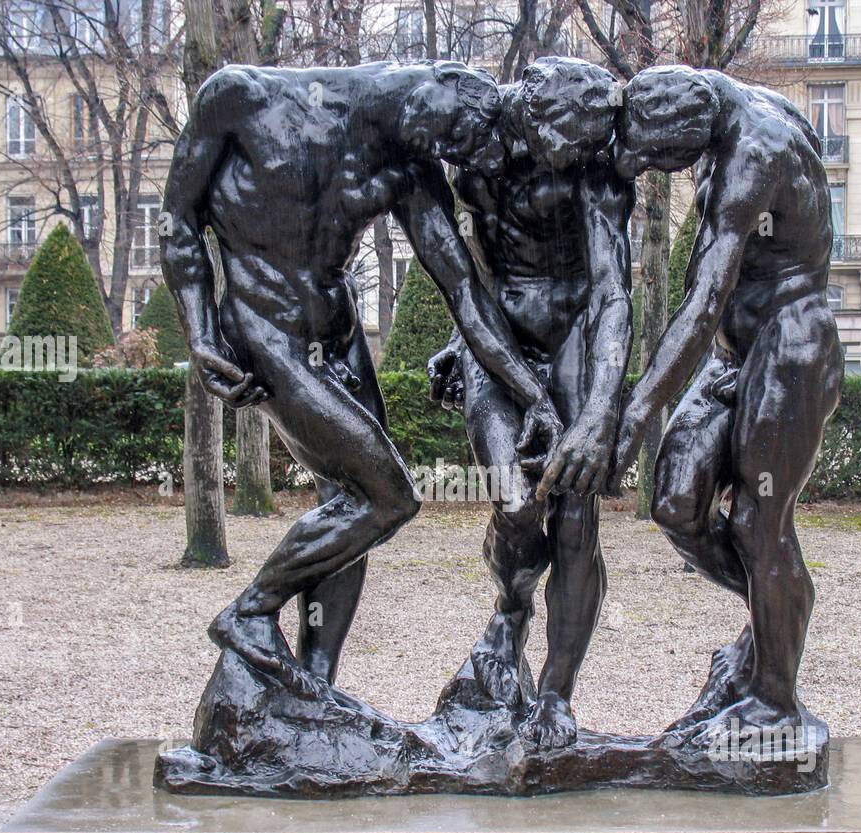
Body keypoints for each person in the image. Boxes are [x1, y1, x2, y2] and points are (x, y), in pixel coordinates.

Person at [162, 62, 562, 693]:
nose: (444, 154)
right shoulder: (240, 97)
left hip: (337, 335)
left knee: (342, 501)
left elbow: (462, 290)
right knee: (387, 497)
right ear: (439, 84)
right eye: (451, 135)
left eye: (454, 150)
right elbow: (177, 220)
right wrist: (200, 331)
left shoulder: (408, 164)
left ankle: (316, 681)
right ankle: (250, 610)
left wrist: (533, 393)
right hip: (263, 332)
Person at [610, 65, 845, 741]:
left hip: (792, 342)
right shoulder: (721, 113)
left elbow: (705, 295)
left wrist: (636, 412)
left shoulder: (756, 148)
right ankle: (774, 614)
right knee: (675, 502)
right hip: (734, 355)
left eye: (665, 160)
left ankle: (775, 698)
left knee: (755, 521)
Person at [429, 57, 633, 747]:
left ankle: (556, 696)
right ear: (535, 123)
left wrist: (603, 405)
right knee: (515, 504)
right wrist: (466, 343)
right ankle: (509, 612)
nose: (579, 159)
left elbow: (611, 292)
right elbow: (469, 272)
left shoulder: (595, 160)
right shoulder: (475, 144)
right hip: (500, 338)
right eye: (568, 148)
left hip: (575, 330)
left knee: (575, 515)